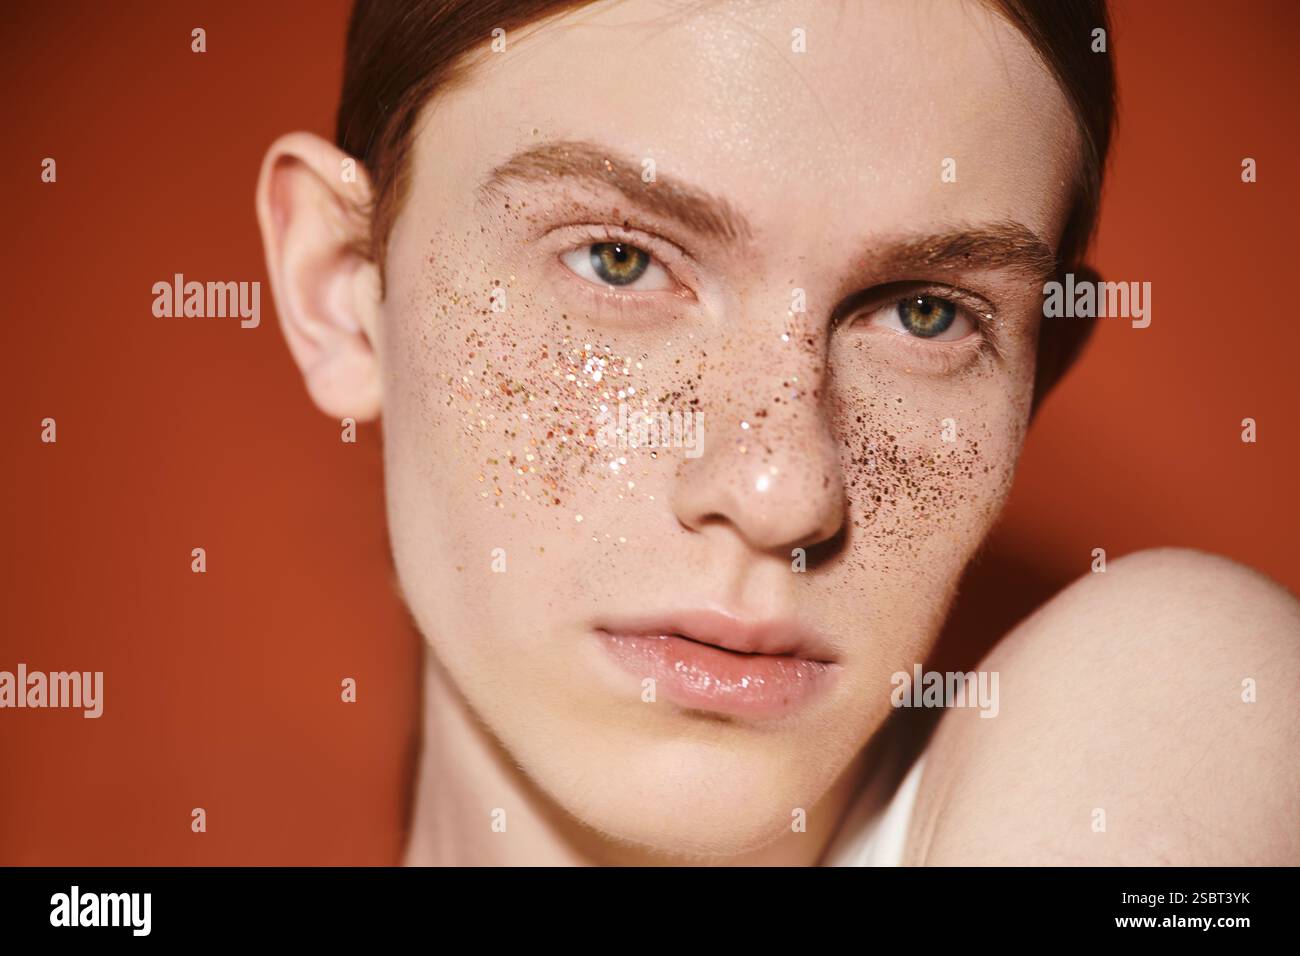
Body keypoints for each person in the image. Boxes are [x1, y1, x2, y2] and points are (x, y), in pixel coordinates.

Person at [254, 0, 1300, 865]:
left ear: (1035, 376)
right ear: (344, 294)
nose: (778, 489)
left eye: (923, 313)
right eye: (620, 260)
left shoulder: (1175, 718)